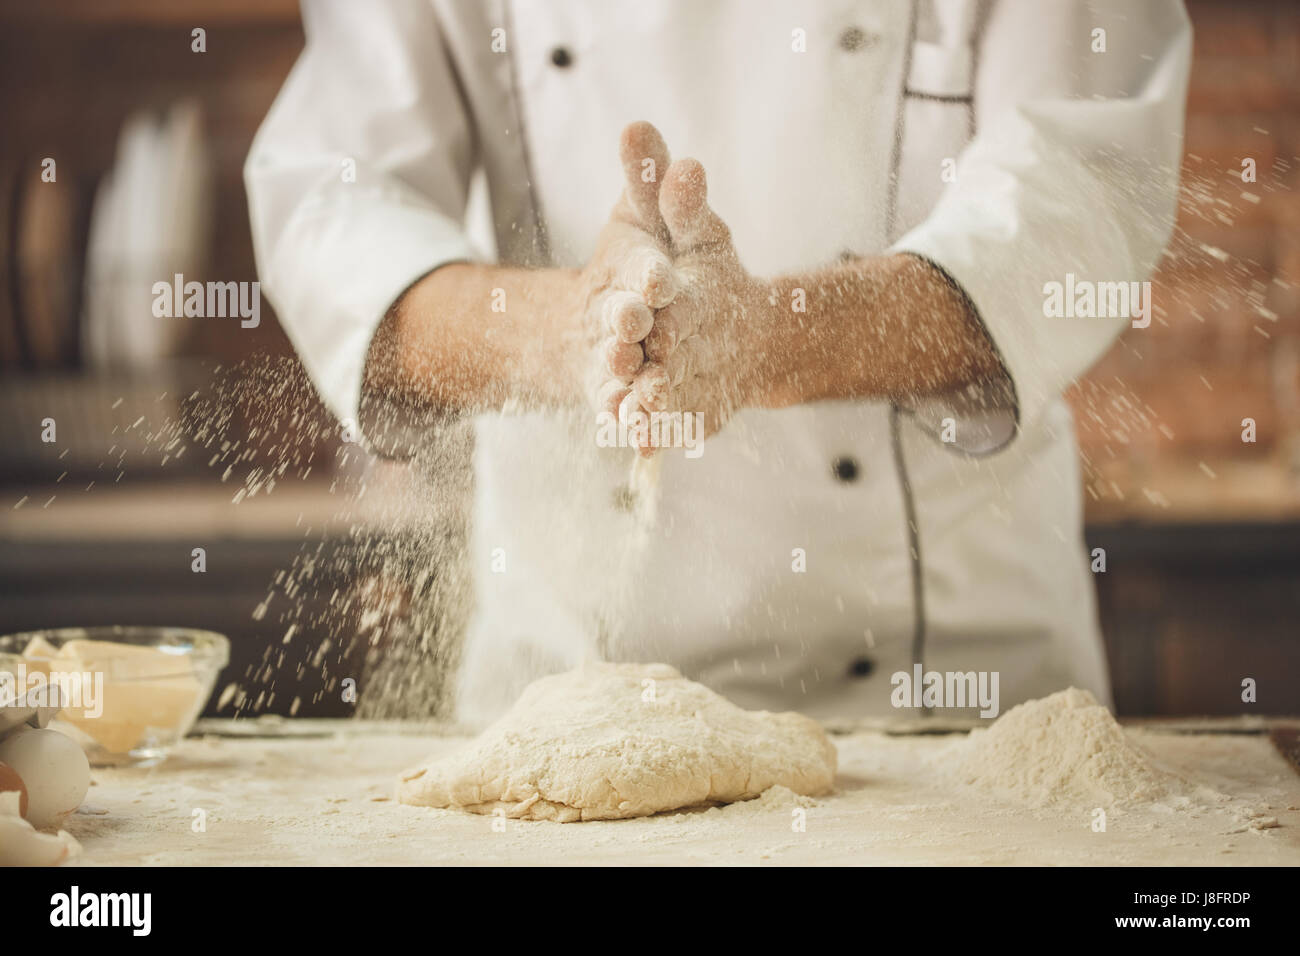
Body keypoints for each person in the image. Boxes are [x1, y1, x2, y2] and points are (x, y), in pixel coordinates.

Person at [246, 0, 1191, 726]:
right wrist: (575, 328)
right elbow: (335, 207)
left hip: (949, 701)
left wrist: (765, 340)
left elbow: (1085, 187)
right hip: (561, 698)